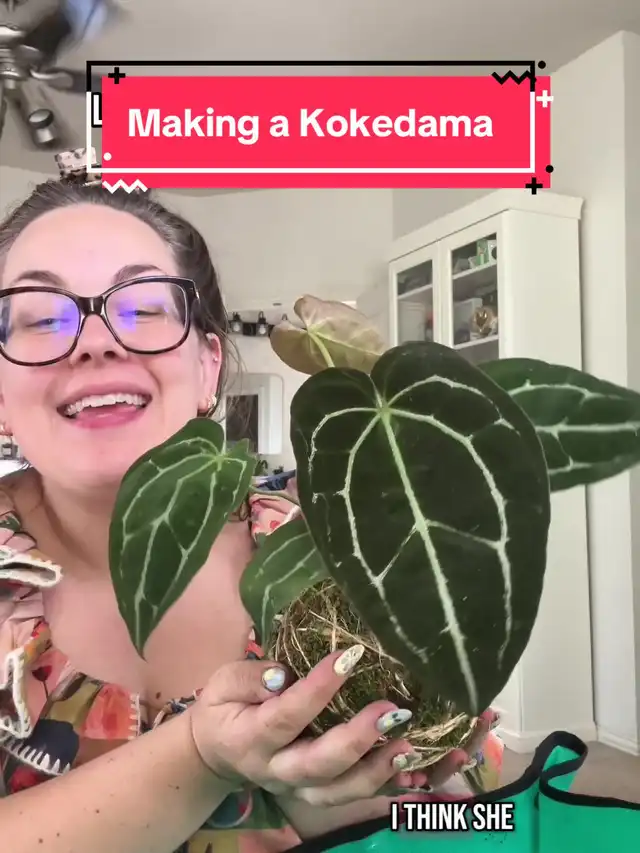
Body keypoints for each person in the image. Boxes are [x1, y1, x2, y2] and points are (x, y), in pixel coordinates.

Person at [0, 150, 503, 853]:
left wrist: (366, 800)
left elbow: (480, 823)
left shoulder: (333, 549)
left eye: (142, 308)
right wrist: (202, 757)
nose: (95, 343)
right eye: (40, 318)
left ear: (208, 366)